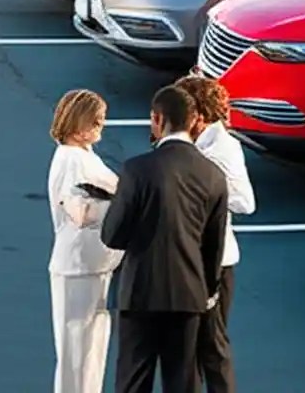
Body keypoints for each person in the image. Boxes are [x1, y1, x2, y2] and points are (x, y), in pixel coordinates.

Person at [101, 86, 229, 393]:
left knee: (134, 379)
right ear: (193, 121)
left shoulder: (137, 170)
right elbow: (214, 246)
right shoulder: (213, 175)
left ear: (157, 119)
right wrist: (208, 291)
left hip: (140, 294)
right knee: (182, 382)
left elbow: (112, 235)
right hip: (189, 296)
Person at [175, 75, 256, 393]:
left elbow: (244, 202)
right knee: (188, 347)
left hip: (214, 263)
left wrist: (203, 190)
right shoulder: (193, 142)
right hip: (190, 258)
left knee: (211, 345)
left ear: (199, 115)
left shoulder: (222, 148)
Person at [46, 89, 122, 393]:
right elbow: (78, 210)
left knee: (90, 350)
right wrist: (120, 208)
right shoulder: (72, 159)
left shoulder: (82, 155)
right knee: (78, 352)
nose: (102, 124)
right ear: (78, 124)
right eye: (96, 120)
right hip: (79, 266)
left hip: (93, 264)